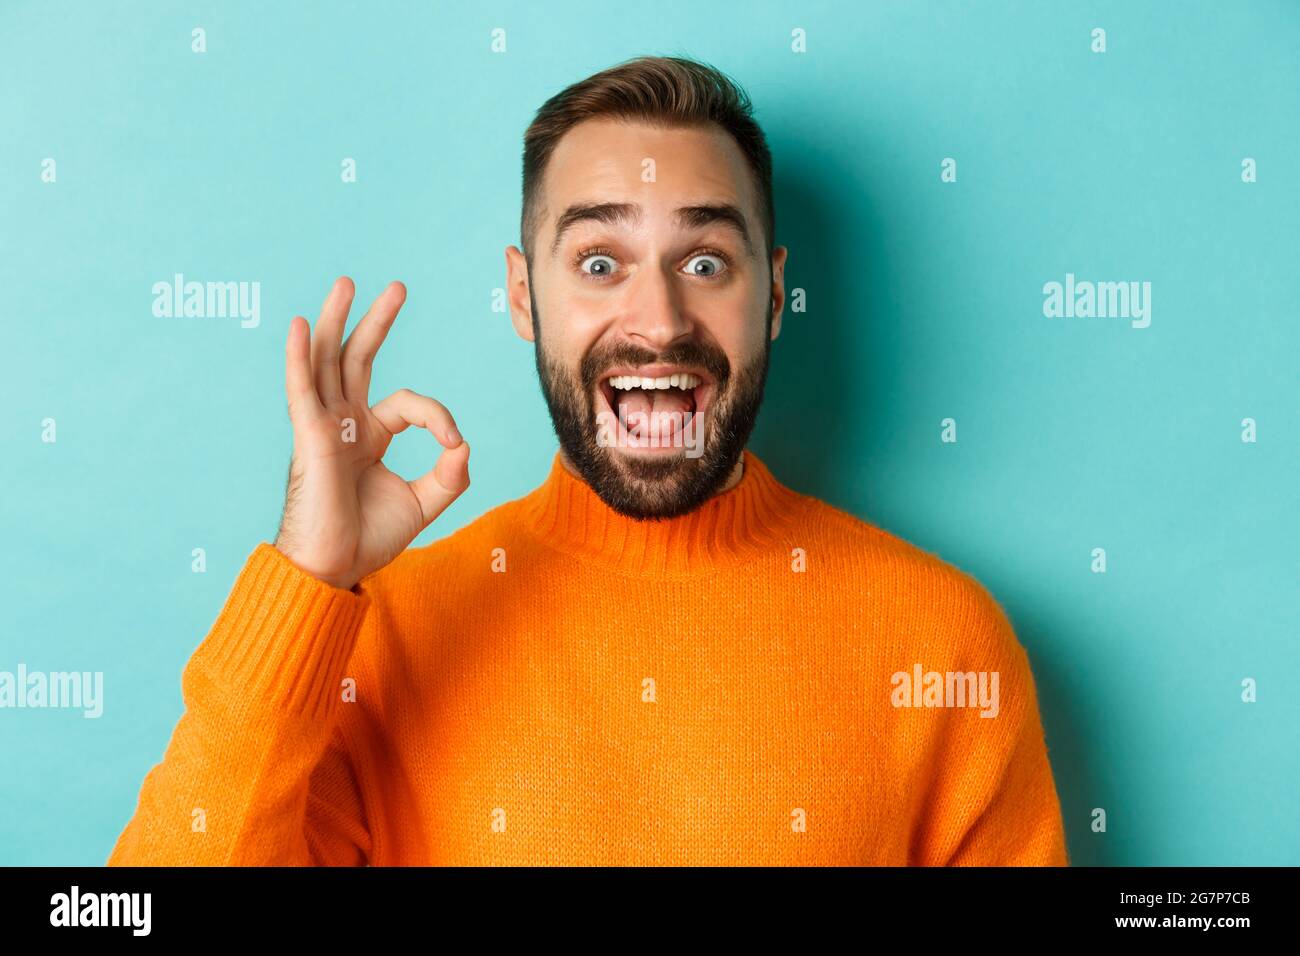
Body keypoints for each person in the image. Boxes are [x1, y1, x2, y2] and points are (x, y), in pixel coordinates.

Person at [108, 55, 1069, 866]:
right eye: (600, 263)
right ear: (524, 298)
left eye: (704, 262)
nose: (657, 321)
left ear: (774, 298)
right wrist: (306, 582)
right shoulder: (381, 643)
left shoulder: (944, 648)